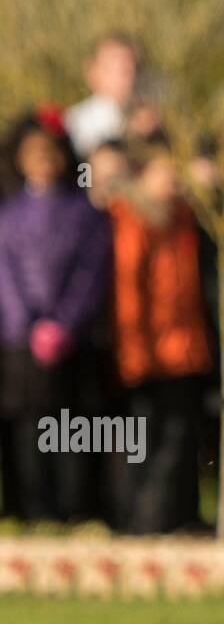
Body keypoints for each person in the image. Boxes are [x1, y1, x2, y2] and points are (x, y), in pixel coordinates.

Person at [0, 107, 112, 521]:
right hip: (20, 347)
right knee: (26, 431)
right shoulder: (8, 215)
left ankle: (73, 511)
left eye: (50, 153)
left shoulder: (84, 214)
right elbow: (5, 277)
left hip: (72, 345)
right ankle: (29, 511)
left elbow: (90, 273)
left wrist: (64, 325)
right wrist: (28, 327)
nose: (43, 162)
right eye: (34, 154)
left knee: (72, 431)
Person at [109, 135, 212, 532]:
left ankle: (179, 517)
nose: (176, 179)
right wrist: (133, 357)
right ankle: (145, 523)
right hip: (149, 355)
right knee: (145, 445)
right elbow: (128, 295)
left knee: (181, 441)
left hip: (184, 351)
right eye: (168, 171)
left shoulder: (183, 214)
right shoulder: (132, 218)